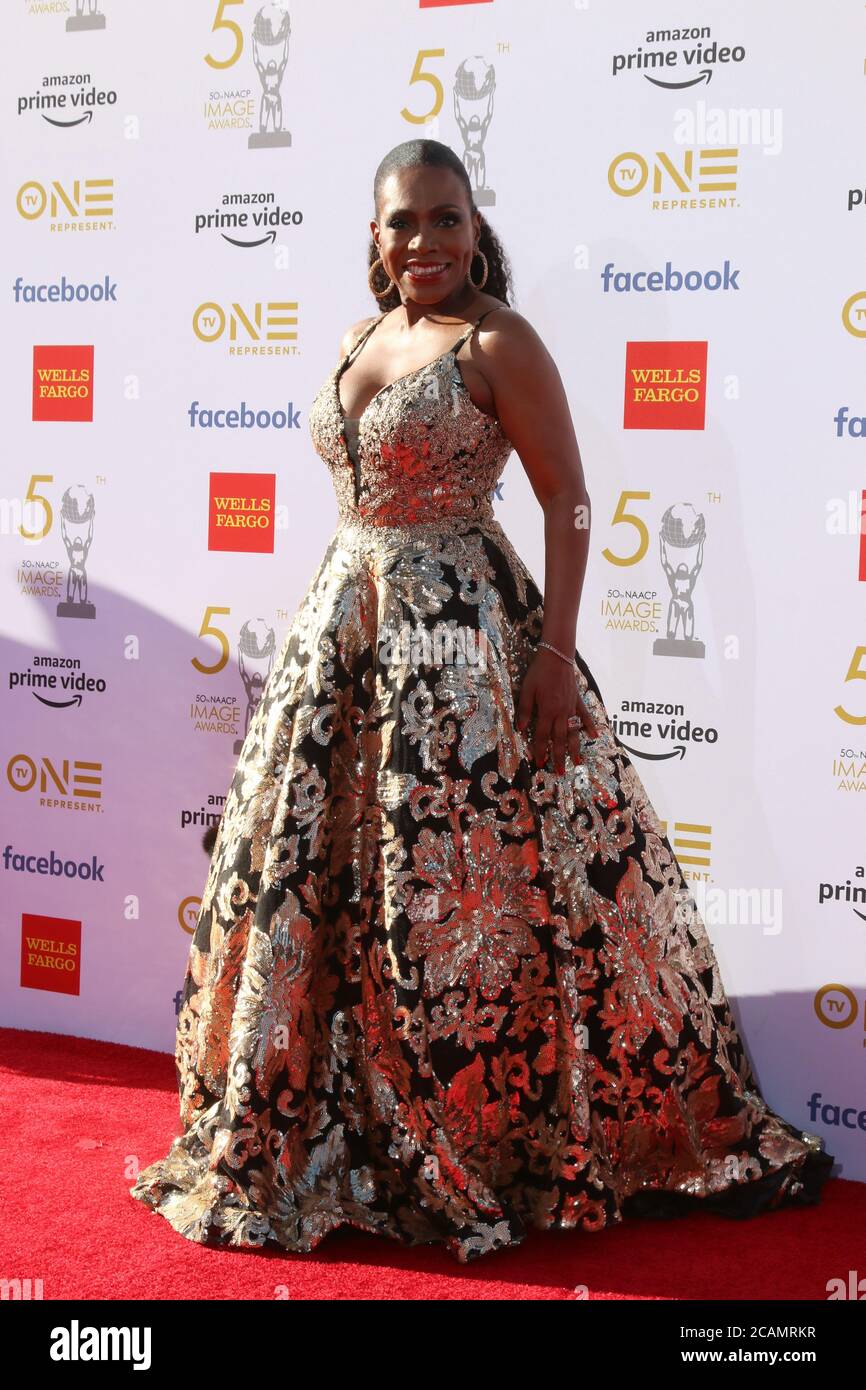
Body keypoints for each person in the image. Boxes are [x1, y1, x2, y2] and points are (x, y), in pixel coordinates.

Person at [129, 139, 834, 1265]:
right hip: (342, 632)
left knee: (451, 882)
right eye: (403, 222)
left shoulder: (497, 341)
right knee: (322, 880)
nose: (425, 244)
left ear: (475, 225)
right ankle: (331, 1115)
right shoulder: (361, 336)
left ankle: (480, 1126)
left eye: (445, 220)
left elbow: (567, 502)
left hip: (462, 640)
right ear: (373, 232)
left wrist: (553, 655)